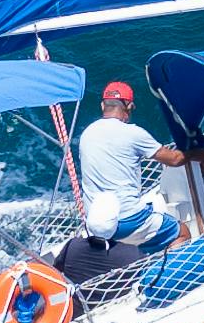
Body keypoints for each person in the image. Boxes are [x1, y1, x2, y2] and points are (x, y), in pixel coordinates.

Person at [73, 80, 191, 257]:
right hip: (128, 220)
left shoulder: (87, 134)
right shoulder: (133, 133)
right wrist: (195, 153)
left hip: (97, 225)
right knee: (182, 232)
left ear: (102, 105)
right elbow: (174, 159)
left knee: (138, 242)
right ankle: (169, 271)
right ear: (128, 106)